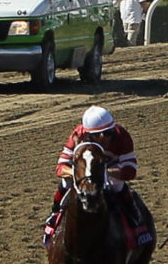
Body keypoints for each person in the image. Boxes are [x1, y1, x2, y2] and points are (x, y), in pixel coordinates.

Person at [45, 104, 152, 245]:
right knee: (65, 183)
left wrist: (106, 172)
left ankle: (135, 218)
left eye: (109, 133)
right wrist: (77, 173)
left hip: (110, 169)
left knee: (117, 185)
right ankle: (54, 214)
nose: (104, 137)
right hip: (84, 171)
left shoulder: (122, 137)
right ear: (87, 134)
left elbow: (130, 171)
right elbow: (60, 168)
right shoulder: (77, 135)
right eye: (98, 134)